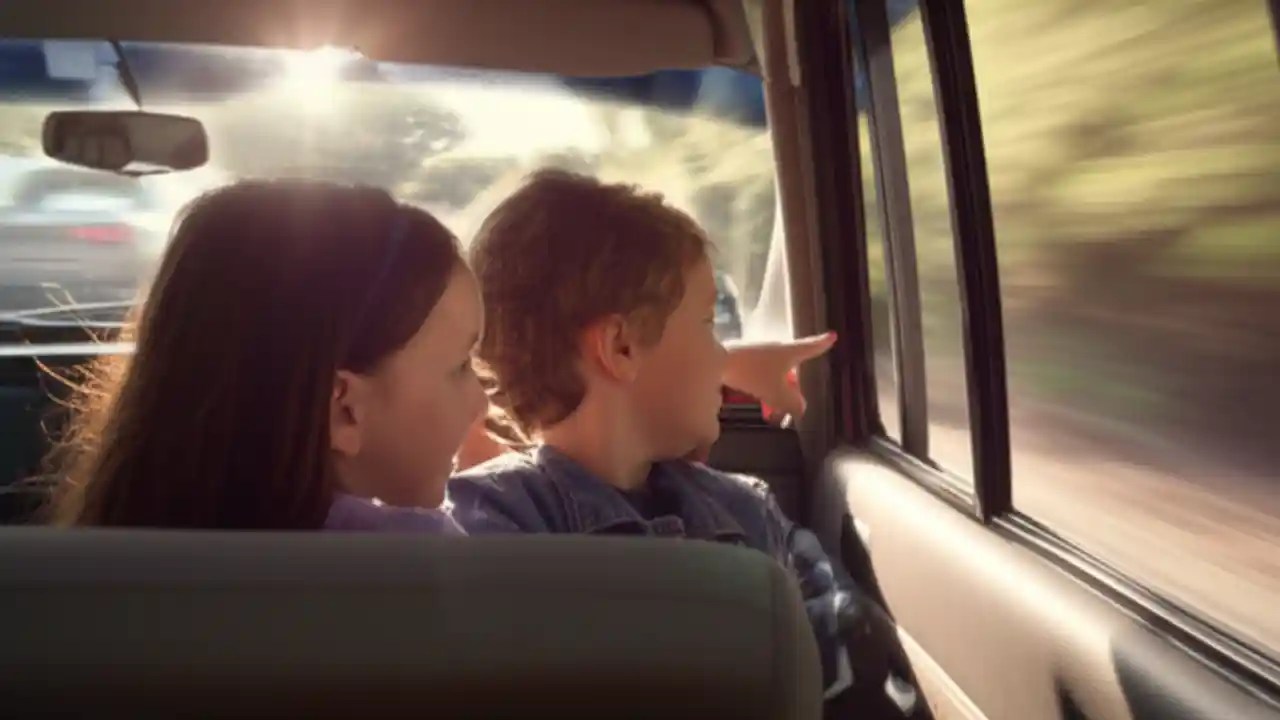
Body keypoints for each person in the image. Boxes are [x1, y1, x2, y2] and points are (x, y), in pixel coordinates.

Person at [45, 178, 832, 534]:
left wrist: (715, 365)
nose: (483, 401)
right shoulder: (430, 577)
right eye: (461, 367)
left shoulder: (77, 594)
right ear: (345, 409)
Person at [446, 169, 860, 697]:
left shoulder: (745, 507)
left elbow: (846, 660)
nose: (723, 358)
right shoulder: (491, 521)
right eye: (709, 324)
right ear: (620, 347)